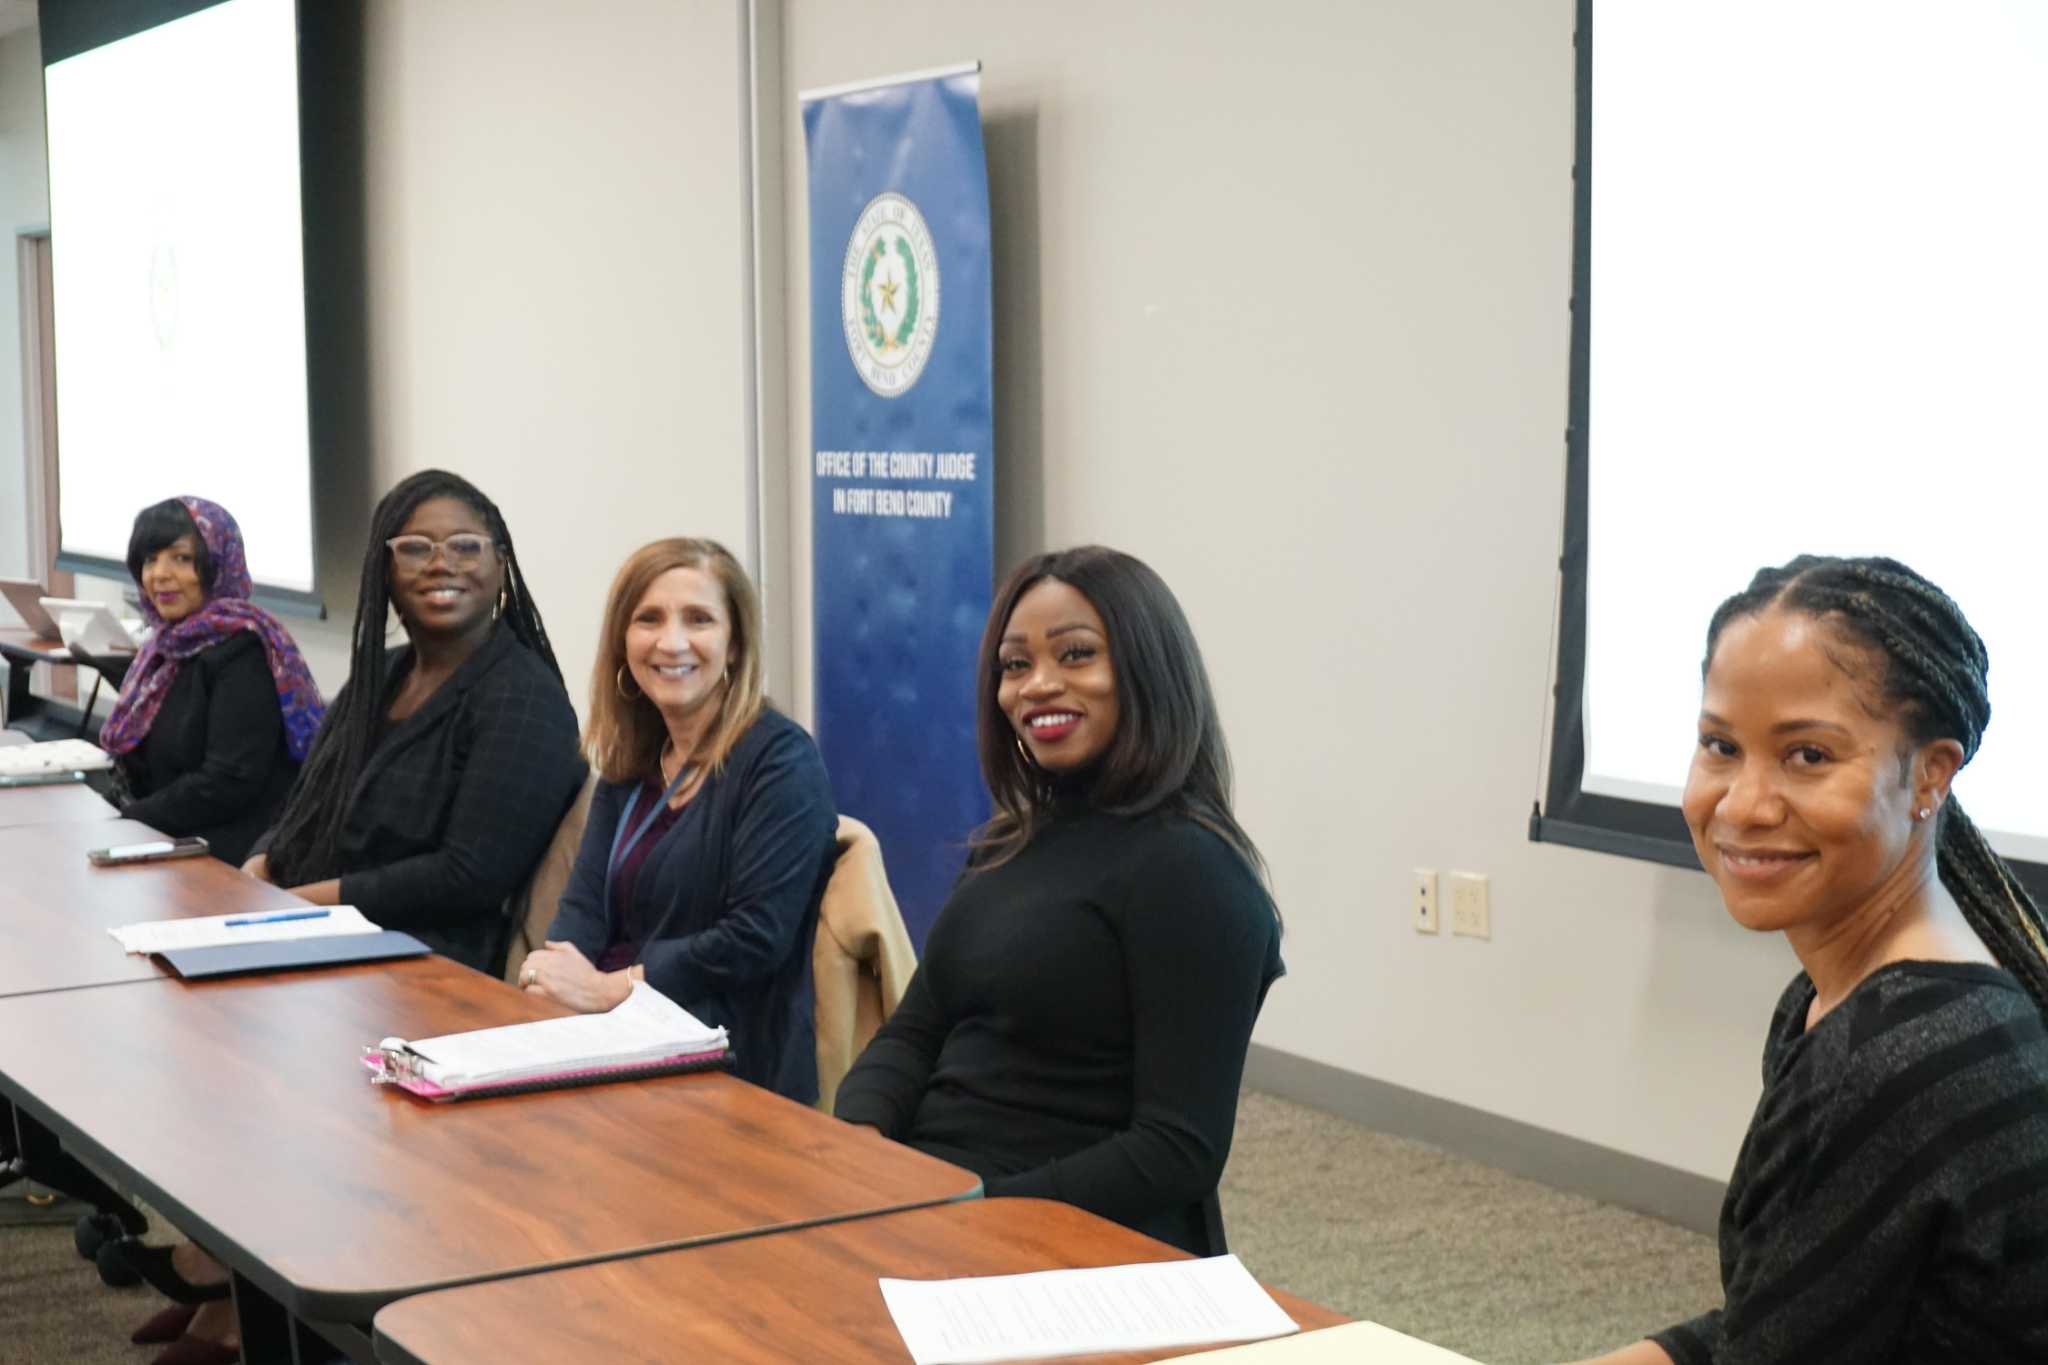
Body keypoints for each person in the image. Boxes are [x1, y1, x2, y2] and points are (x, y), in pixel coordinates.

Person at [1575, 556, 2048, 1365]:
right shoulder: (1862, 1000)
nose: (1744, 803)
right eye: (1720, 745)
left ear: (1929, 774)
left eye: (1808, 756)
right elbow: (1798, 1302)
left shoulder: (1887, 1060)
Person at [833, 545, 1284, 1255]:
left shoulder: (1193, 870)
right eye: (1015, 664)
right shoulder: (1007, 843)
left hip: (1070, 1239)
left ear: (1147, 669)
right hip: (935, 1202)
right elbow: (917, 1029)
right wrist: (859, 1144)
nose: (1036, 685)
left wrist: (968, 1208)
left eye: (1076, 654)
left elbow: (1177, 1148)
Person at [528, 538, 835, 1103]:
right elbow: (584, 906)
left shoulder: (781, 761)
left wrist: (612, 990)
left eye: (699, 619)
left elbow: (753, 939)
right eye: (649, 619)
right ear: (623, 641)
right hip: (607, 1044)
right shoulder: (633, 759)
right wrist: (555, 977)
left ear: (735, 645)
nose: (671, 642)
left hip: (725, 1067)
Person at [246, 469, 587, 971]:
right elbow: (305, 803)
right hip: (318, 934)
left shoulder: (526, 698)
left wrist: (302, 906)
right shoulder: (379, 676)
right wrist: (260, 865)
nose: (441, 564)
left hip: (427, 965)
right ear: (384, 570)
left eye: (465, 547)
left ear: (500, 564)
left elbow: (468, 876)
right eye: (415, 549)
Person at [98, 497, 325, 865]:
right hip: (166, 839)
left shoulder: (243, 651)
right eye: (150, 560)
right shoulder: (163, 649)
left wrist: (127, 821)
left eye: (181, 558)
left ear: (218, 564)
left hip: (229, 857)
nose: (160, 574)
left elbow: (227, 782)